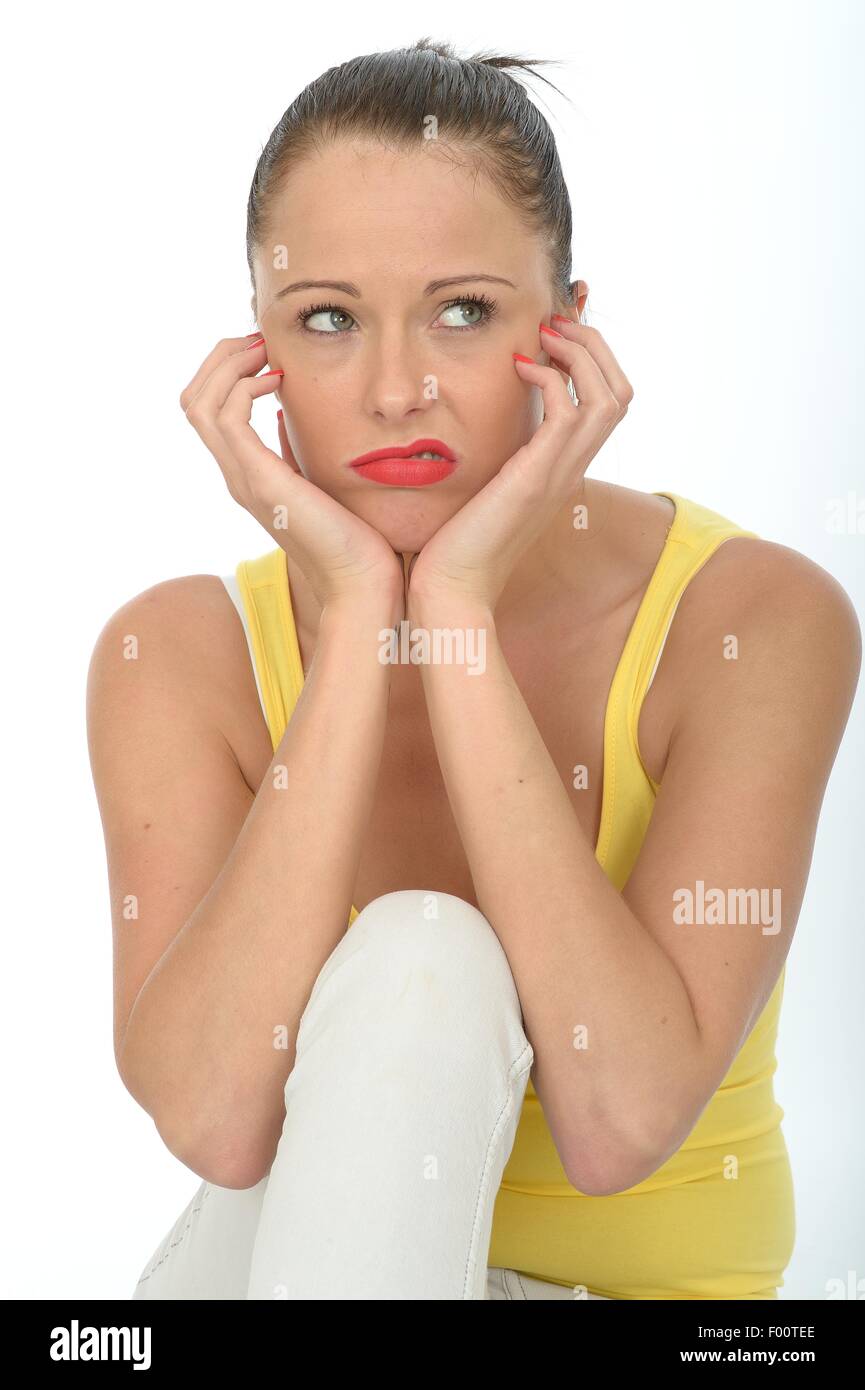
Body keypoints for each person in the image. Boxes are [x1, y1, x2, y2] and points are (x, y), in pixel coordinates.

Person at [86, 38, 860, 1301]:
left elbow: (619, 1119)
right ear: (258, 357)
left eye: (464, 312)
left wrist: (453, 610)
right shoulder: (171, 656)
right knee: (416, 956)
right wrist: (353, 625)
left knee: (427, 956)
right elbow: (221, 1126)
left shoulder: (758, 619)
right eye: (328, 319)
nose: (397, 390)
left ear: (566, 337)